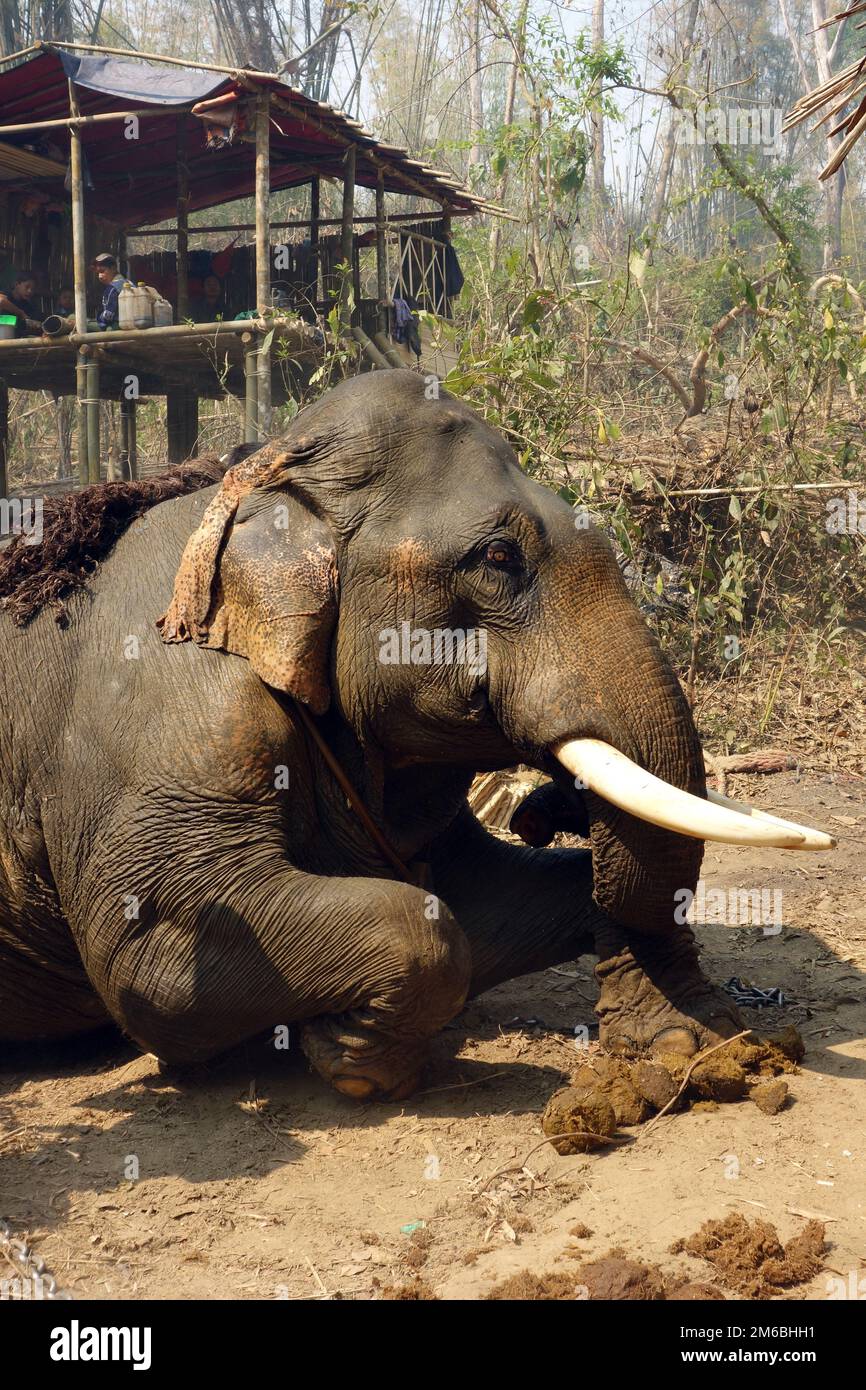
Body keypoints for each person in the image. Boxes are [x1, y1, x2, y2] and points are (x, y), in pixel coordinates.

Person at [0, 270, 41, 335]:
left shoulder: (29, 306)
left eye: (33, 289)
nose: (30, 291)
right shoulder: (6, 296)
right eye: (27, 287)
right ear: (17, 284)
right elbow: (1, 301)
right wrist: (20, 313)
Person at [92, 252, 127, 329]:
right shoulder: (128, 283)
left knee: (84, 325)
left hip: (117, 327)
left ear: (113, 268)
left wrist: (98, 319)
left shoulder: (112, 288)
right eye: (98, 273)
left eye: (102, 271)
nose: (100, 276)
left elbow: (108, 316)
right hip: (129, 325)